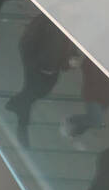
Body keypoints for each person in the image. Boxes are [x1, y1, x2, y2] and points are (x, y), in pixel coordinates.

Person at [5, 12, 73, 144]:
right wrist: (33, 63)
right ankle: (21, 123)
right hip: (37, 68)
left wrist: (68, 63)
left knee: (34, 94)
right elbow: (26, 42)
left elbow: (69, 51)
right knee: (31, 94)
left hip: (52, 70)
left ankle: (17, 106)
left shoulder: (69, 26)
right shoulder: (46, 20)